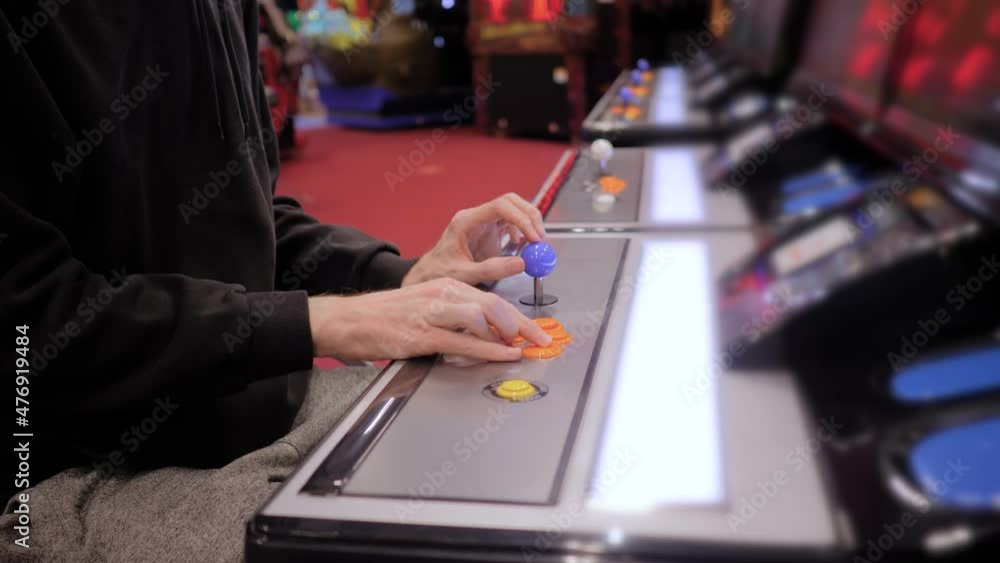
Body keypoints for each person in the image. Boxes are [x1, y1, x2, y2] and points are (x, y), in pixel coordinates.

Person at [0, 1, 551, 560]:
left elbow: (245, 216)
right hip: (72, 472)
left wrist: (400, 277)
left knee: (495, 448)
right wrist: (321, 322)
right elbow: (32, 323)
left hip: (260, 408)